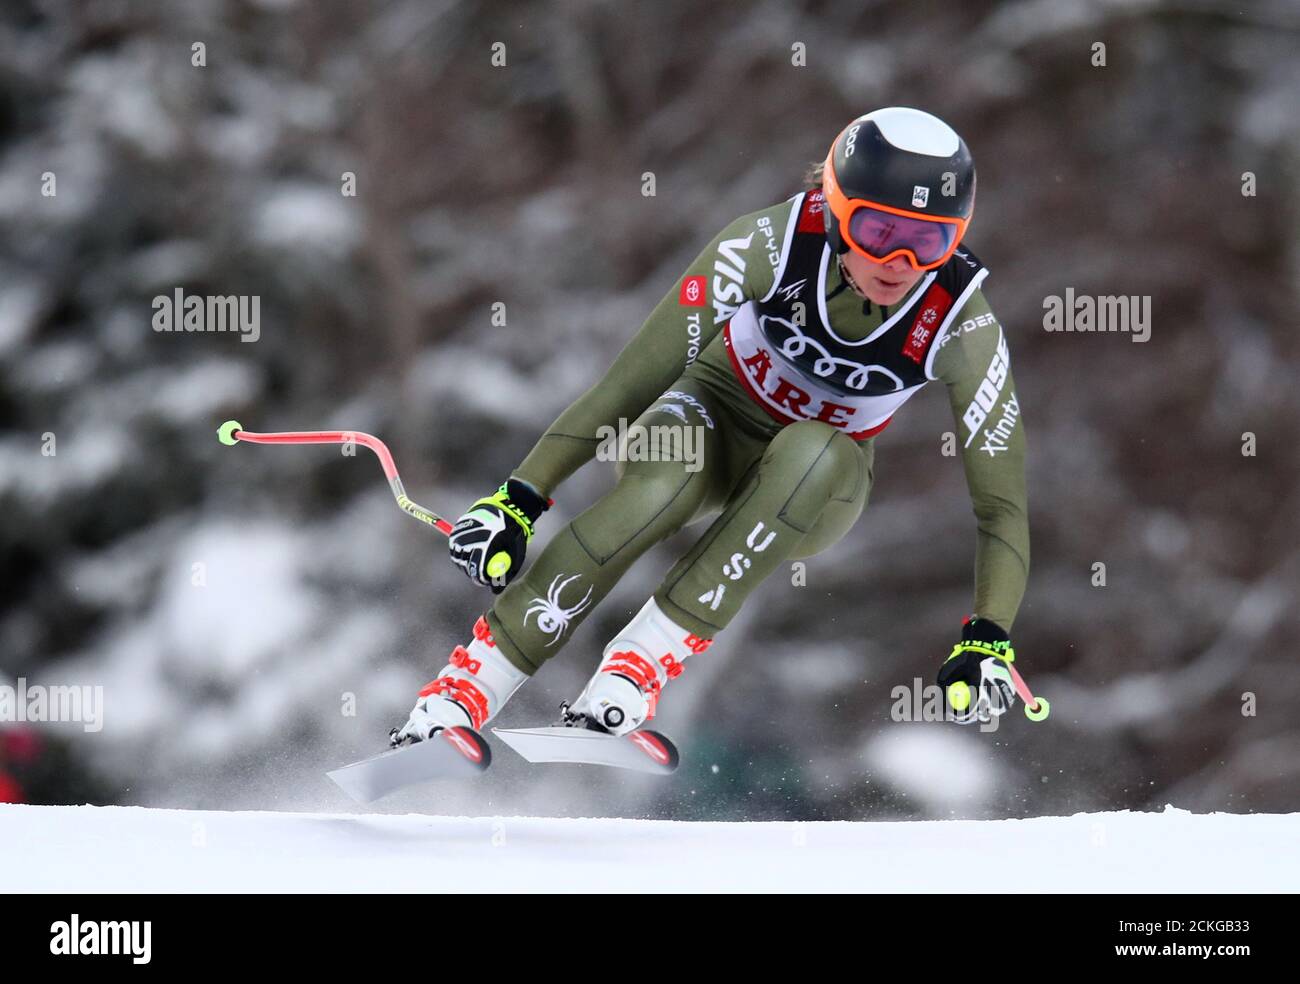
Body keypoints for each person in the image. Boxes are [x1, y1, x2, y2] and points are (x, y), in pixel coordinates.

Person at [397, 106, 1029, 743]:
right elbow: (627, 387)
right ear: (834, 208)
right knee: (658, 486)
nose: (898, 261)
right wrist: (519, 499)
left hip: (817, 486)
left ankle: (634, 669)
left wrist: (988, 638)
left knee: (811, 450)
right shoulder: (767, 244)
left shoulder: (962, 323)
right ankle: (466, 689)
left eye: (929, 240)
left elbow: (1001, 507)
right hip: (708, 419)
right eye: (878, 229)